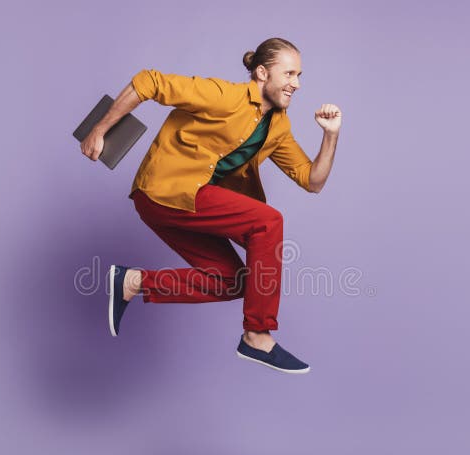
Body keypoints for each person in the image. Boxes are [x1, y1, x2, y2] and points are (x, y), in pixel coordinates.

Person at [80, 37, 341, 374]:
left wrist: (330, 135)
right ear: (262, 73)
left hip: (188, 207)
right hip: (163, 190)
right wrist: (100, 129)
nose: (297, 84)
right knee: (267, 222)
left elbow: (312, 180)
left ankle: (131, 282)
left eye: (299, 75)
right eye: (289, 74)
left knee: (229, 281)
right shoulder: (224, 95)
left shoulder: (278, 127)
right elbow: (149, 81)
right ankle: (257, 336)